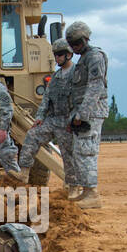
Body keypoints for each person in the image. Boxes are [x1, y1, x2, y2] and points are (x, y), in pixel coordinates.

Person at [19, 38, 78, 194]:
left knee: (68, 155)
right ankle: (24, 173)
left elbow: (81, 99)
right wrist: (39, 118)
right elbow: (46, 99)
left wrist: (76, 119)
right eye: (55, 54)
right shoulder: (56, 76)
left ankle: (72, 187)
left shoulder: (77, 74)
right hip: (53, 119)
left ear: (69, 55)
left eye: (60, 54)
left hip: (68, 121)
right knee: (32, 135)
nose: (57, 58)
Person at [65, 21, 108, 209]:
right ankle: (86, 190)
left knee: (86, 151)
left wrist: (82, 114)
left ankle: (92, 193)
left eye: (76, 43)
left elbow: (95, 87)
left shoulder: (95, 57)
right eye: (71, 44)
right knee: (79, 151)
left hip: (91, 112)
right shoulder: (83, 59)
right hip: (83, 111)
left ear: (85, 39)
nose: (74, 47)